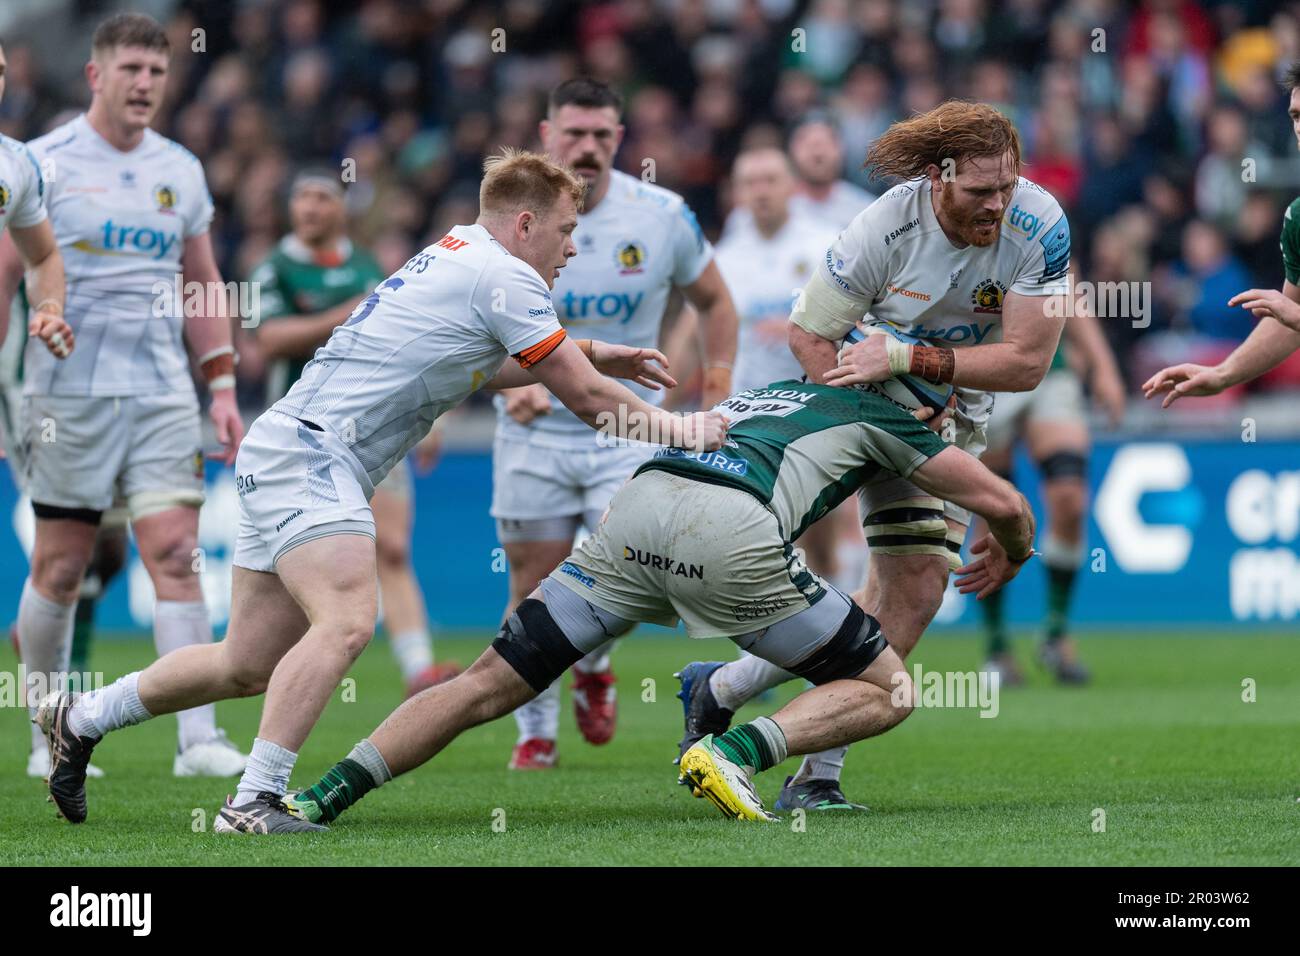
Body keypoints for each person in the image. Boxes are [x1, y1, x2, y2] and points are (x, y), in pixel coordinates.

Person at [37, 148, 728, 833]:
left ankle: (83, 716)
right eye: (566, 230)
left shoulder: (457, 252)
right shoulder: (506, 276)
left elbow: (481, 365)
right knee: (345, 622)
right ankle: (253, 800)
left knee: (244, 663)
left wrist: (594, 353)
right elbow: (586, 400)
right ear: (525, 224)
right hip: (314, 453)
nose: (573, 247)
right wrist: (684, 430)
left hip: (284, 444)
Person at [285, 380, 1036, 828]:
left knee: (484, 683)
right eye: (946, 415)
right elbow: (1001, 501)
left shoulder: (777, 390)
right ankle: (734, 751)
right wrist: (1014, 545)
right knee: (889, 686)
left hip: (635, 510)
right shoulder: (897, 418)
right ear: (926, 410)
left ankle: (321, 796)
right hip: (730, 532)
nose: (949, 425)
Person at [676, 100, 1073, 811]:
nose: (998, 203)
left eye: (1008, 185)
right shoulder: (884, 226)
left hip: (960, 412)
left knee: (899, 600)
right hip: (872, 408)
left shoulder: (1040, 224)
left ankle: (723, 686)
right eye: (981, 190)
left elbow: (1026, 364)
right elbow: (809, 335)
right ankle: (814, 774)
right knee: (906, 592)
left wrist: (916, 361)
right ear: (937, 177)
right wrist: (878, 408)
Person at [2, 14, 247, 780]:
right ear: (95, 76)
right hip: (66, 393)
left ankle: (197, 740)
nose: (145, 84)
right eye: (131, 70)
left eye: (156, 71)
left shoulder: (181, 169)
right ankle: (46, 734)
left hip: (161, 392)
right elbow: (8, 274)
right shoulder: (41, 163)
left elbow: (202, 282)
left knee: (175, 552)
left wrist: (222, 385)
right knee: (62, 567)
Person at [492, 78, 738, 770]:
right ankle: (535, 733)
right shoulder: (510, 219)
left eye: (601, 134)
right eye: (574, 133)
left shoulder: (660, 215)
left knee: (634, 571)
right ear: (547, 135)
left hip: (625, 430)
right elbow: (474, 323)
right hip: (534, 431)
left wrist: (717, 388)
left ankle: (595, 660)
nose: (588, 147)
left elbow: (716, 302)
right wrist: (506, 392)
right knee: (531, 582)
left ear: (620, 139)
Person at [250, 169, 459, 698]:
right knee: (302, 568)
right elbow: (269, 340)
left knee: (393, 548)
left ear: (342, 208)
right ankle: (275, 669)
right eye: (301, 196)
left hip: (376, 428)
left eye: (321, 197)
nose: (309, 207)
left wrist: (433, 417)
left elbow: (407, 346)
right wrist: (347, 313)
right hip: (302, 438)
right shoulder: (273, 268)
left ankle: (419, 671)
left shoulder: (367, 265)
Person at [976, 288, 1125, 685]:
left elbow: (1068, 290)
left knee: (1070, 497)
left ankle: (1055, 635)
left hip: (1048, 368)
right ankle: (997, 648)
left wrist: (1103, 366)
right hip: (983, 370)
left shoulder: (1040, 243)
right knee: (993, 511)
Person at [1145, 62, 1300, 404]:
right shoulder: (1297, 218)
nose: (1299, 127)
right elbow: (1289, 322)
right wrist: (1222, 373)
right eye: (1295, 116)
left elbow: (1294, 316)